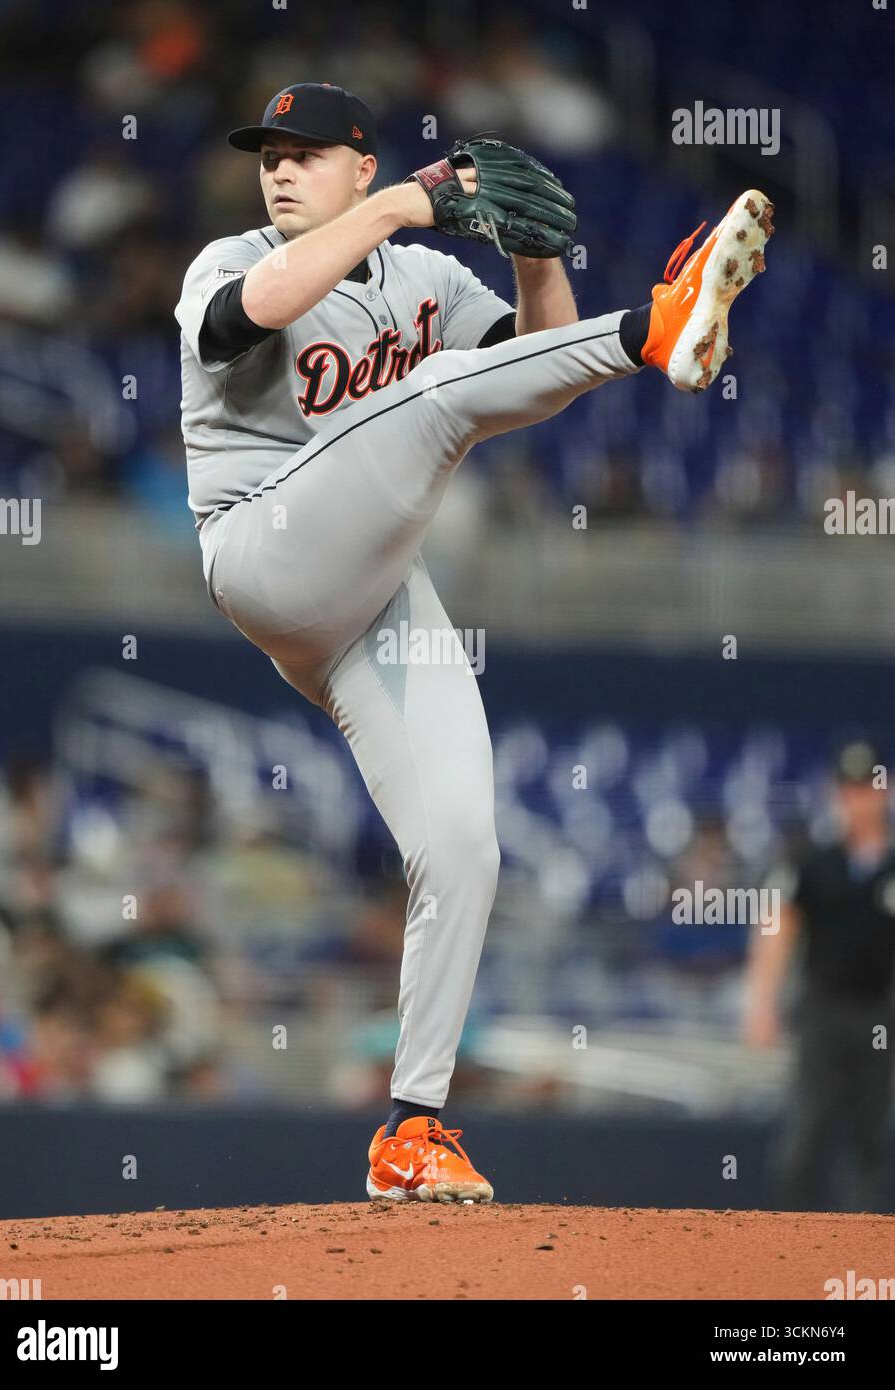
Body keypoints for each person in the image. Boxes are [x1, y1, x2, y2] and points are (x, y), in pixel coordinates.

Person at [175, 81, 772, 1203]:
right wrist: (407, 204)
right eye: (269, 152)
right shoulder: (229, 259)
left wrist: (533, 255)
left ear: (359, 160)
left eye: (307, 152)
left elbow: (537, 372)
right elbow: (253, 312)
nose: (280, 169)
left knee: (462, 844)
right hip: (263, 550)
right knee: (439, 390)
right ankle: (661, 322)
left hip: (371, 593)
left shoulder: (428, 280)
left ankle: (412, 1128)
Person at [744, 739, 895, 1212]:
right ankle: (791, 1246)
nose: (857, 800)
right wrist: (761, 1003)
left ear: (884, 791)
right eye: (848, 790)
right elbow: (778, 926)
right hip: (822, 1010)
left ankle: (862, 1249)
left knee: (870, 1132)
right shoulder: (812, 860)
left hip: (879, 1011)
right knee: (807, 1128)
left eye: (866, 788)